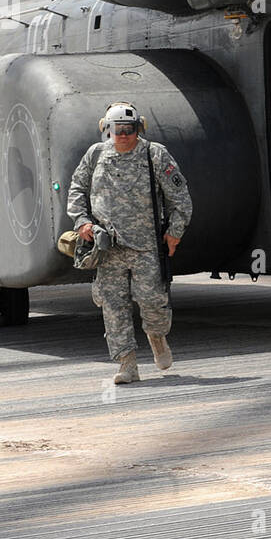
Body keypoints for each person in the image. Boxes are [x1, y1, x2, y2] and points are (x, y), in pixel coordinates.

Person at [67, 102, 193, 384]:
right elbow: (76, 187)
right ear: (107, 129)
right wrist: (82, 221)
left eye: (129, 129)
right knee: (113, 307)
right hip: (107, 248)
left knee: (152, 301)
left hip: (146, 246)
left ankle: (157, 337)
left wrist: (175, 231)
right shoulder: (95, 155)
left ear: (139, 128)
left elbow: (180, 196)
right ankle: (128, 364)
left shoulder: (153, 154)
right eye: (117, 130)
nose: (123, 135)